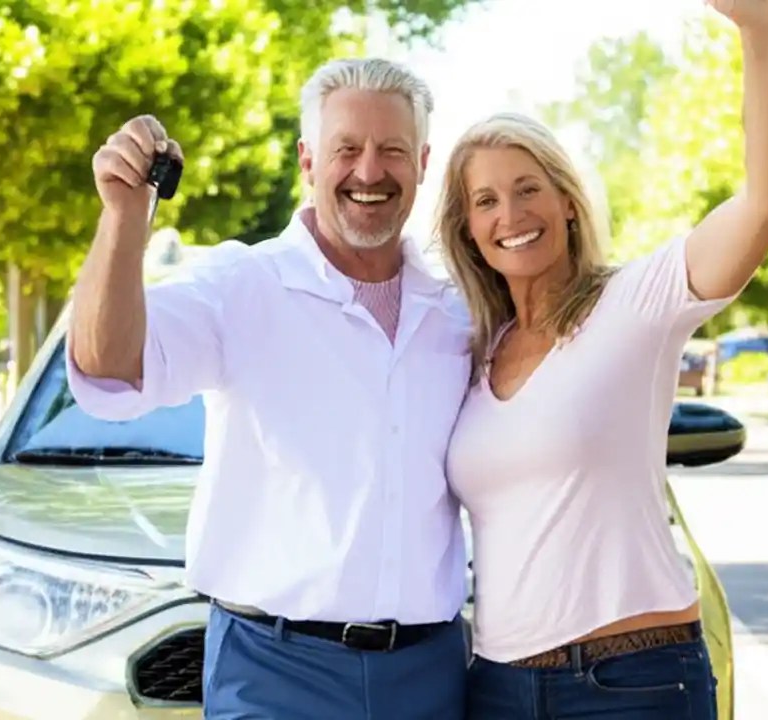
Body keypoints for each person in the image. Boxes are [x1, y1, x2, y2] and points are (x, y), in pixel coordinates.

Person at [66, 57, 473, 719]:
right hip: (276, 674)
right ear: (308, 161)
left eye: (391, 151)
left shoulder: (458, 306)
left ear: (423, 162)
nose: (369, 171)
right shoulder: (241, 285)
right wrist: (123, 218)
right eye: (347, 149)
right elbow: (110, 364)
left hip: (429, 674)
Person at [435, 1, 768, 718]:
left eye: (527, 188)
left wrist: (762, 31)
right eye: (486, 200)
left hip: (631, 684)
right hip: (499, 686)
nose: (510, 215)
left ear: (567, 201)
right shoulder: (474, 354)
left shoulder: (636, 302)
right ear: (468, 228)